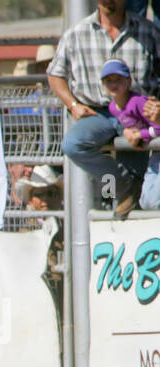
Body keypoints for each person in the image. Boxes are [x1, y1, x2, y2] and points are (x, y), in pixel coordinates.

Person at [49, 1, 160, 213]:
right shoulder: (76, 34)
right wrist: (73, 105)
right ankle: (125, 186)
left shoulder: (147, 30)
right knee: (73, 144)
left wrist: (157, 108)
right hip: (97, 111)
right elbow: (55, 74)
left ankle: (131, 196)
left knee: (144, 190)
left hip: (138, 111)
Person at [102, 59, 160, 215]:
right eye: (109, 81)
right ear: (103, 85)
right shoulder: (113, 107)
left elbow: (159, 127)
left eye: (118, 80)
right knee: (148, 201)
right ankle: (129, 191)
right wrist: (127, 131)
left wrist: (139, 134)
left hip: (156, 148)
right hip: (153, 151)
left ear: (128, 81)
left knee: (152, 201)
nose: (114, 85)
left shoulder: (139, 103)